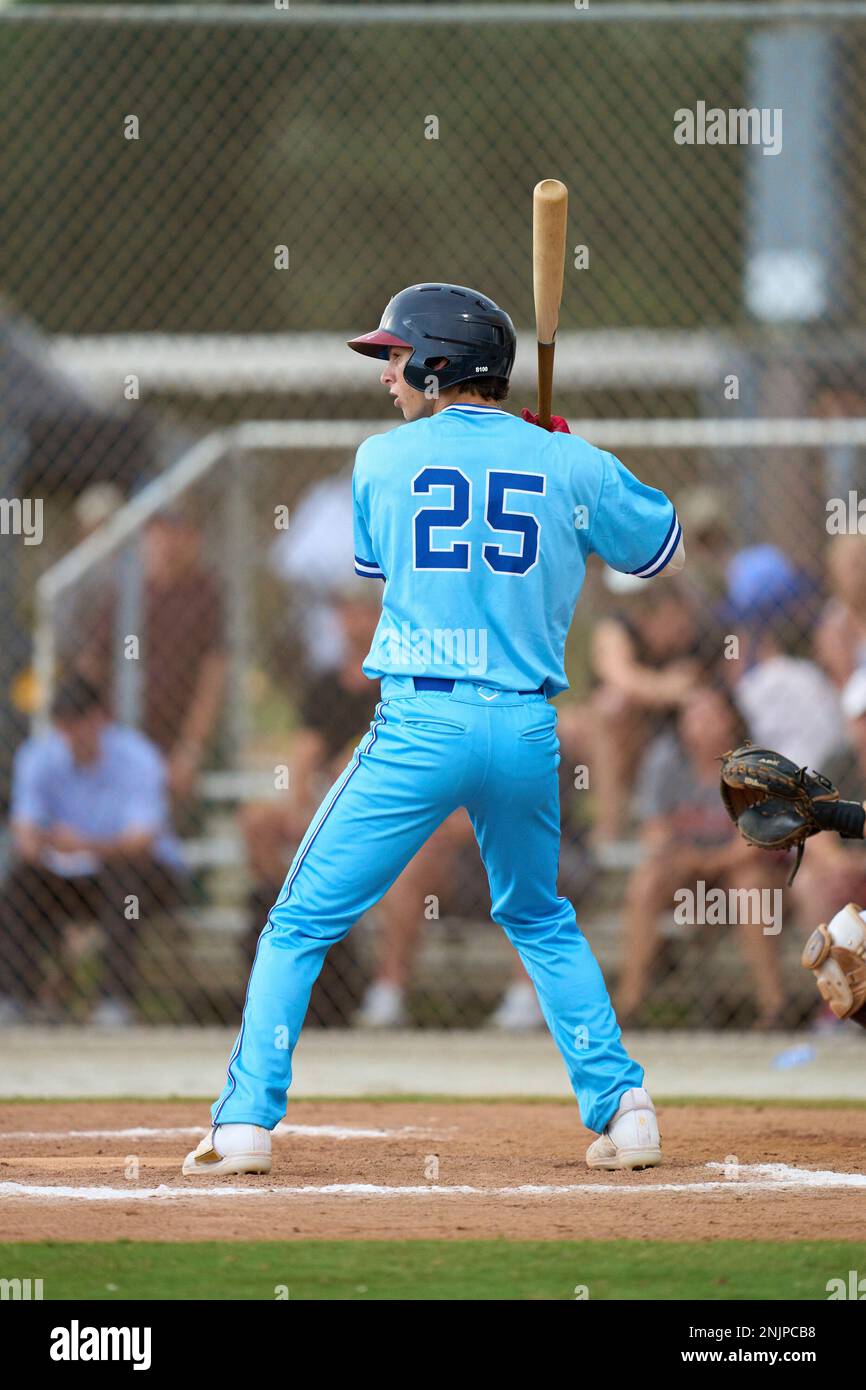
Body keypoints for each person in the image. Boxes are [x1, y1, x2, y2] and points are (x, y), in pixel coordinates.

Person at [182, 281, 685, 1179]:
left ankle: (244, 1125)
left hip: (421, 719)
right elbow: (660, 548)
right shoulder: (572, 461)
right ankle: (626, 1109)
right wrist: (567, 465)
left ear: (442, 365)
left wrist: (537, 458)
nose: (389, 376)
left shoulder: (380, 460)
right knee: (540, 915)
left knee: (298, 919)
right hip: (528, 729)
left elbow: (387, 560)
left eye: (399, 358)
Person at [1, 676, 184, 1025]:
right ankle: (13, 996)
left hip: (140, 876)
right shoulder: (39, 756)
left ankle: (113, 1003)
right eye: (63, 727)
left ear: (99, 718)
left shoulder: (137, 756)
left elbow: (142, 841)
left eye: (78, 725)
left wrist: (83, 844)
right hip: (70, 875)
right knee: (21, 881)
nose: (71, 737)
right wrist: (48, 844)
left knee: (124, 883)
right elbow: (25, 836)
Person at [616, 681, 789, 1028]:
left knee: (750, 885)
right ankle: (627, 1005)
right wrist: (679, 855)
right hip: (686, 873)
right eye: (692, 714)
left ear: (731, 720)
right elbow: (654, 829)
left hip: (740, 873)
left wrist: (707, 861)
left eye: (711, 713)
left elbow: (758, 841)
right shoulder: (666, 757)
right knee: (647, 880)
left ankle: (775, 1007)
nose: (701, 721)